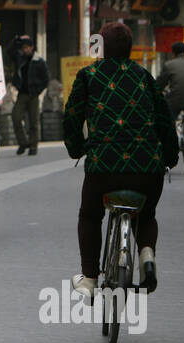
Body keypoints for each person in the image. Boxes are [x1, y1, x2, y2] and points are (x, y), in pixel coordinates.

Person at [63, 22, 177, 298]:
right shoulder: (144, 76)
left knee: (89, 215)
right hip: (147, 168)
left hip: (104, 169)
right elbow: (164, 120)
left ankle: (89, 279)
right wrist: (170, 157)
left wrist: (76, 149)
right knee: (146, 215)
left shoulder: (88, 75)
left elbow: (72, 117)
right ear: (130, 49)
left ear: (100, 47)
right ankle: (146, 257)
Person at [11, 35, 49, 156]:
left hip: (33, 95)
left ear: (32, 47)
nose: (25, 50)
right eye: (23, 48)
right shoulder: (20, 58)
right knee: (16, 117)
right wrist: (16, 40)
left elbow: (46, 79)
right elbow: (9, 52)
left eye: (27, 47)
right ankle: (23, 143)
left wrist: (38, 91)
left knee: (33, 122)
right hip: (21, 94)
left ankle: (33, 146)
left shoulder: (39, 61)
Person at [156, 41, 184, 116]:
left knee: (168, 118)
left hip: (175, 102)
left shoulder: (169, 65)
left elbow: (160, 84)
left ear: (173, 53)